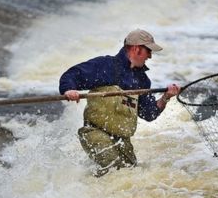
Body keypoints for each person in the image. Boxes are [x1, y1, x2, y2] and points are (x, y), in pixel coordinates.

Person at [59, 29, 181, 176]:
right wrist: (69, 90)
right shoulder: (104, 65)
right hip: (94, 132)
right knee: (114, 170)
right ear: (136, 48)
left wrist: (165, 97)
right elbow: (71, 75)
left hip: (122, 139)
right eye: (148, 51)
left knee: (132, 174)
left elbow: (149, 114)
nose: (150, 56)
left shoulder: (142, 80)